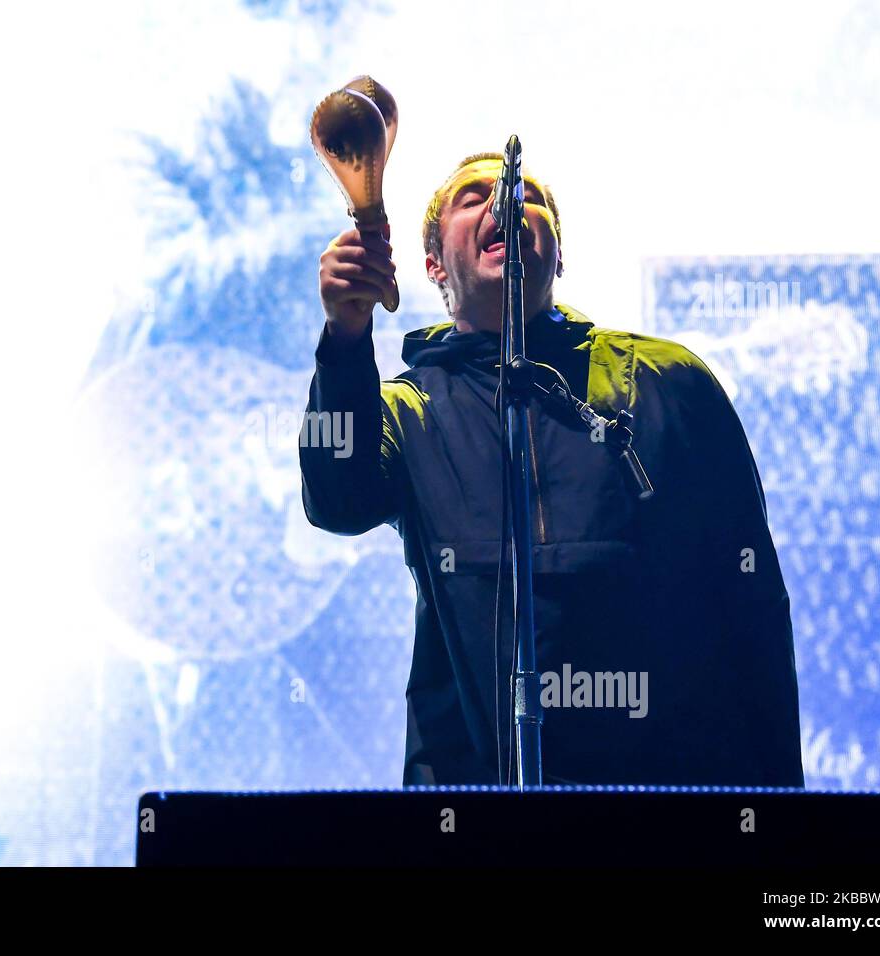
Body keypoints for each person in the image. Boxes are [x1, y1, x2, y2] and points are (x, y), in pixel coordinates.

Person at [300, 152, 805, 787]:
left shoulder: (669, 381)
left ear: (558, 259)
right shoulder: (408, 411)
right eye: (473, 197)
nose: (506, 203)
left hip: (662, 813)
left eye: (527, 196)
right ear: (433, 266)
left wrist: (781, 815)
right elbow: (335, 502)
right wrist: (343, 340)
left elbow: (752, 599)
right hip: (474, 817)